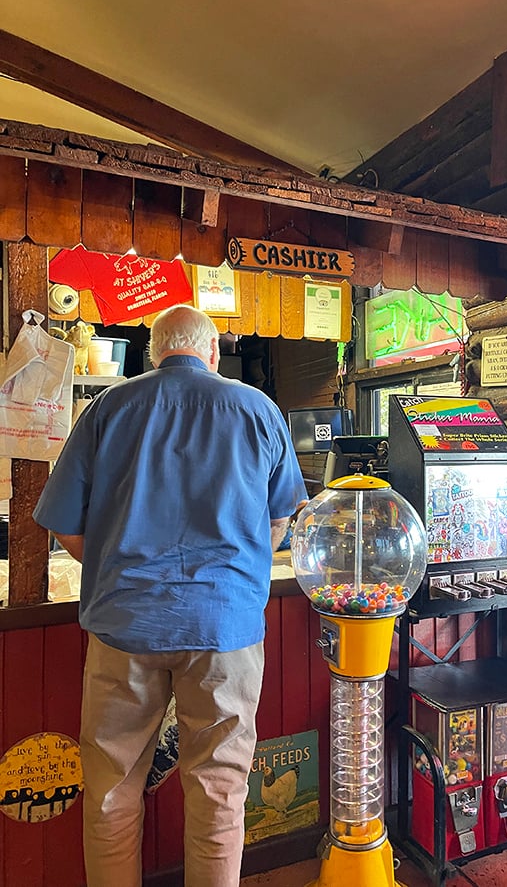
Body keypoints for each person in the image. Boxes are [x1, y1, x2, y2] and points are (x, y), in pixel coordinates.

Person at [33, 305, 307, 887]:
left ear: (154, 352)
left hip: (124, 624)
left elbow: (63, 523)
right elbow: (282, 519)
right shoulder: (258, 409)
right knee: (220, 790)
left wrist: (113, 569)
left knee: (110, 784)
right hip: (226, 627)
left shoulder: (108, 407)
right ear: (212, 352)